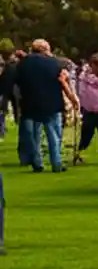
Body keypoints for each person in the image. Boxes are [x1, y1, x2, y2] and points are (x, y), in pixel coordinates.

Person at [14, 39, 78, 172]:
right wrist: (72, 99)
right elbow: (62, 82)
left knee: (34, 136)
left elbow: (17, 82)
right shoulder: (54, 63)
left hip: (30, 103)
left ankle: (37, 163)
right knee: (54, 134)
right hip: (52, 103)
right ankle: (56, 162)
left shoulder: (23, 64)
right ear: (45, 49)